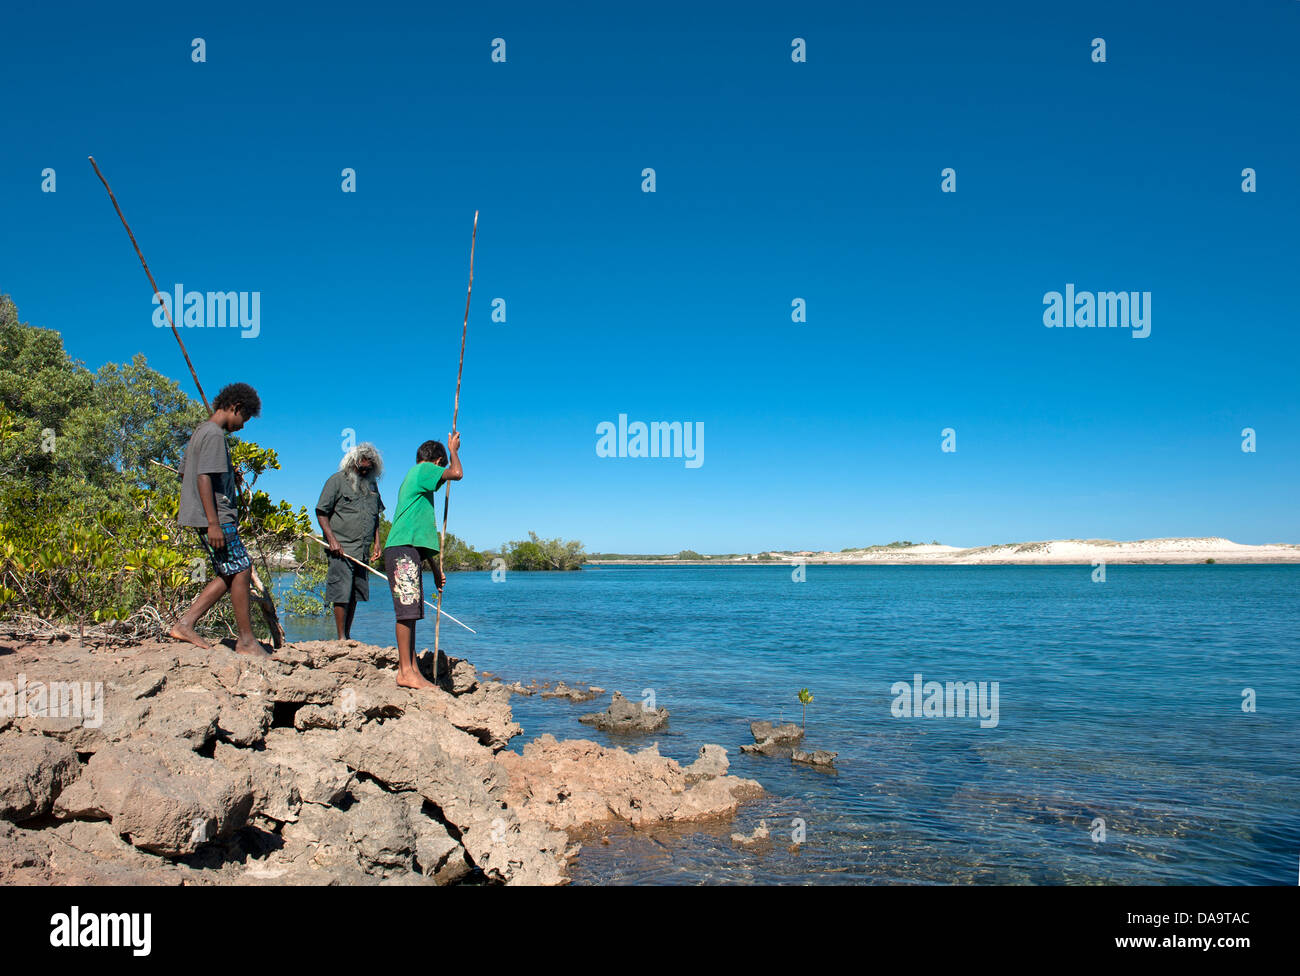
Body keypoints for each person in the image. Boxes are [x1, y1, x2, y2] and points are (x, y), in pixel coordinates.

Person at [169, 382, 267, 657]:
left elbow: (187, 473)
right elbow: (202, 478)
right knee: (243, 569)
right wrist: (214, 522)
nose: (243, 425)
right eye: (244, 418)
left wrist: (226, 475)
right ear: (236, 408)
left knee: (230, 572)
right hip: (215, 517)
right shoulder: (213, 434)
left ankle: (186, 624)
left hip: (204, 515)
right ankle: (247, 641)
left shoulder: (201, 431)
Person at [382, 432, 462, 689]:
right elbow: (457, 473)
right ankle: (405, 672)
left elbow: (422, 539)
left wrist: (436, 571)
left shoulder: (418, 482)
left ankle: (412, 669)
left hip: (409, 550)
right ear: (436, 461)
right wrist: (454, 450)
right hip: (402, 550)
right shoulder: (424, 469)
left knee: (412, 610)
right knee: (407, 610)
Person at [316, 443, 385, 639]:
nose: (364, 471)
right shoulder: (336, 481)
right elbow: (321, 511)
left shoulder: (372, 485)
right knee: (341, 592)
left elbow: (376, 515)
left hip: (362, 549)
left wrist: (377, 542)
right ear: (352, 464)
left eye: (368, 469)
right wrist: (332, 540)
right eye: (361, 468)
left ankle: (347, 634)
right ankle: (340, 638)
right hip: (342, 548)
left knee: (355, 593)